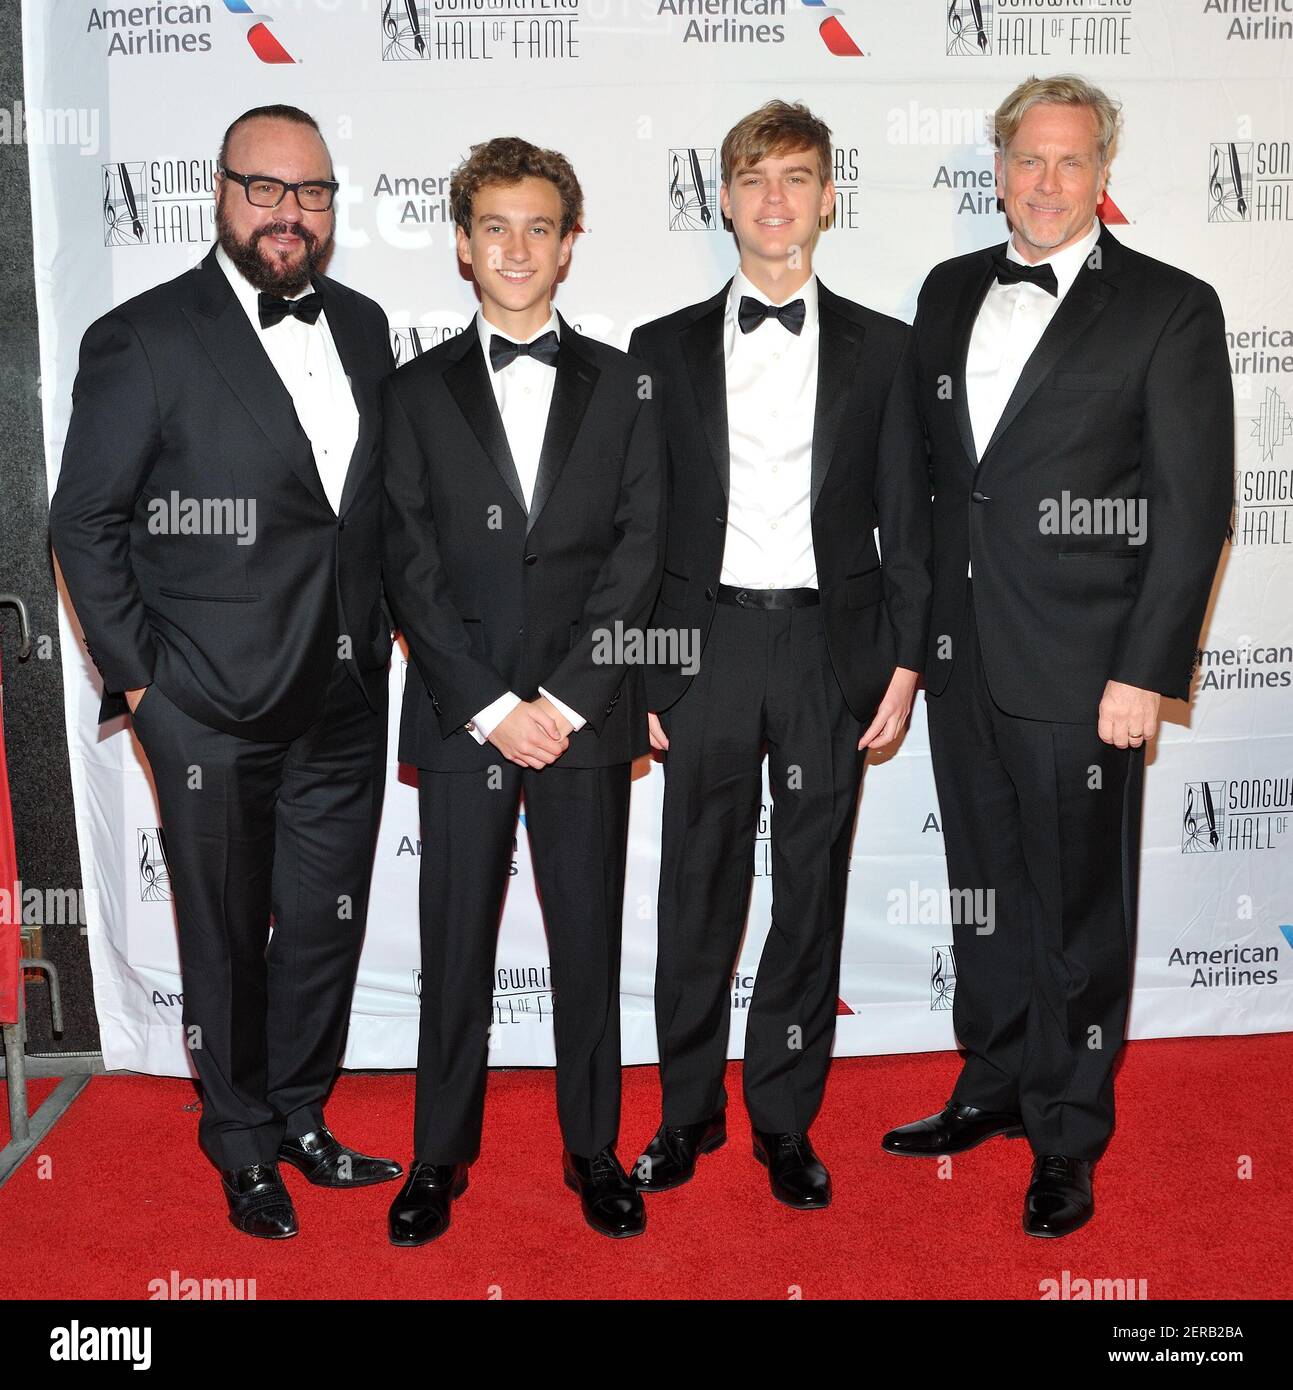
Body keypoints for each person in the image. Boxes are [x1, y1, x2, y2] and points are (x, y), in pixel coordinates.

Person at [882, 75, 1234, 1238]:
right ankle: (989, 1082)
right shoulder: (944, 292)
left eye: (1070, 162)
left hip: (1088, 671)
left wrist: (1146, 671)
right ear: (997, 168)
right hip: (962, 653)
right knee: (984, 890)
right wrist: (909, 645)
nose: (1046, 182)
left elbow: (1194, 512)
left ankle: (1069, 1127)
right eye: (1028, 160)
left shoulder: (1170, 308)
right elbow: (938, 489)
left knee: (1081, 908)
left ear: (1103, 173)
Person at [49, 105, 401, 1239]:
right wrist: (147, 687)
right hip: (210, 705)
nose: (289, 213)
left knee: (323, 926)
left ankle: (301, 1112)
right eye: (266, 188)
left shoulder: (362, 324)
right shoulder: (143, 336)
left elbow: (363, 515)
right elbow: (84, 524)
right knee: (223, 930)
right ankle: (240, 1137)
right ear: (220, 191)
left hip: (345, 694)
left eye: (312, 193)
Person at [628, 100, 932, 1211]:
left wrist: (904, 667)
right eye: (754, 178)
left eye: (797, 177)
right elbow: (639, 531)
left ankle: (786, 1119)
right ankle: (685, 1110)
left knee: (810, 895)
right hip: (699, 653)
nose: (774, 200)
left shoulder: (887, 350)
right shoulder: (657, 349)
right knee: (695, 893)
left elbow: (911, 518)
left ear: (828, 198)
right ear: (722, 197)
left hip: (827, 652)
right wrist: (644, 675)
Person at [381, 136, 665, 1245]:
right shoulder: (411, 390)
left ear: (569, 244)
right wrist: (496, 706)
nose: (515, 247)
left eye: (538, 227)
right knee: (452, 940)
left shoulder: (628, 384)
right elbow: (404, 560)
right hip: (465, 716)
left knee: (588, 936)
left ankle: (593, 1147)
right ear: (462, 244)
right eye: (493, 226)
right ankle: (437, 1155)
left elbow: (642, 550)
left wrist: (571, 698)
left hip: (585, 720)